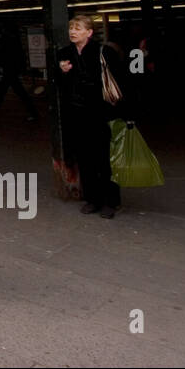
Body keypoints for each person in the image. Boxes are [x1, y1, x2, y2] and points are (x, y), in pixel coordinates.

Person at [54, 15, 125, 218]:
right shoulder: (64, 54)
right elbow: (58, 84)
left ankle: (111, 201)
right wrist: (62, 72)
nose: (73, 32)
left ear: (89, 32)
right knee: (84, 158)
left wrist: (124, 114)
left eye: (78, 29)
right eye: (71, 29)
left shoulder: (104, 53)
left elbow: (120, 80)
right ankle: (92, 199)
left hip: (99, 113)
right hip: (76, 113)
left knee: (104, 158)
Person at [0, 24, 39, 122]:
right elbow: (20, 56)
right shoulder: (14, 40)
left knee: (5, 91)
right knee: (10, 91)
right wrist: (23, 70)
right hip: (12, 69)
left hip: (9, 69)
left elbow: (0, 54)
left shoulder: (4, 40)